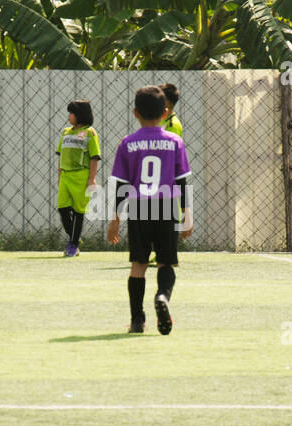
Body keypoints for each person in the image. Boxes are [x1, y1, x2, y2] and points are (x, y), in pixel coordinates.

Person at [106, 86, 192, 334]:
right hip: (166, 208)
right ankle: (163, 297)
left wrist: (115, 217)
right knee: (166, 263)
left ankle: (137, 320)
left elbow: (121, 185)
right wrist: (187, 213)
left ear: (135, 112)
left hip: (139, 208)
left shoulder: (127, 143)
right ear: (165, 113)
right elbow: (182, 181)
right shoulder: (174, 141)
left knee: (138, 265)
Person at [55, 100, 100, 258]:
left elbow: (94, 157)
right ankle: (75, 238)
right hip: (66, 177)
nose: (69, 116)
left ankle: (73, 245)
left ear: (80, 115)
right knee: (62, 208)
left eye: (72, 113)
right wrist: (59, 175)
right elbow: (60, 156)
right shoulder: (66, 132)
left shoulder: (90, 132)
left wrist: (91, 179)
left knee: (78, 211)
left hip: (81, 176)